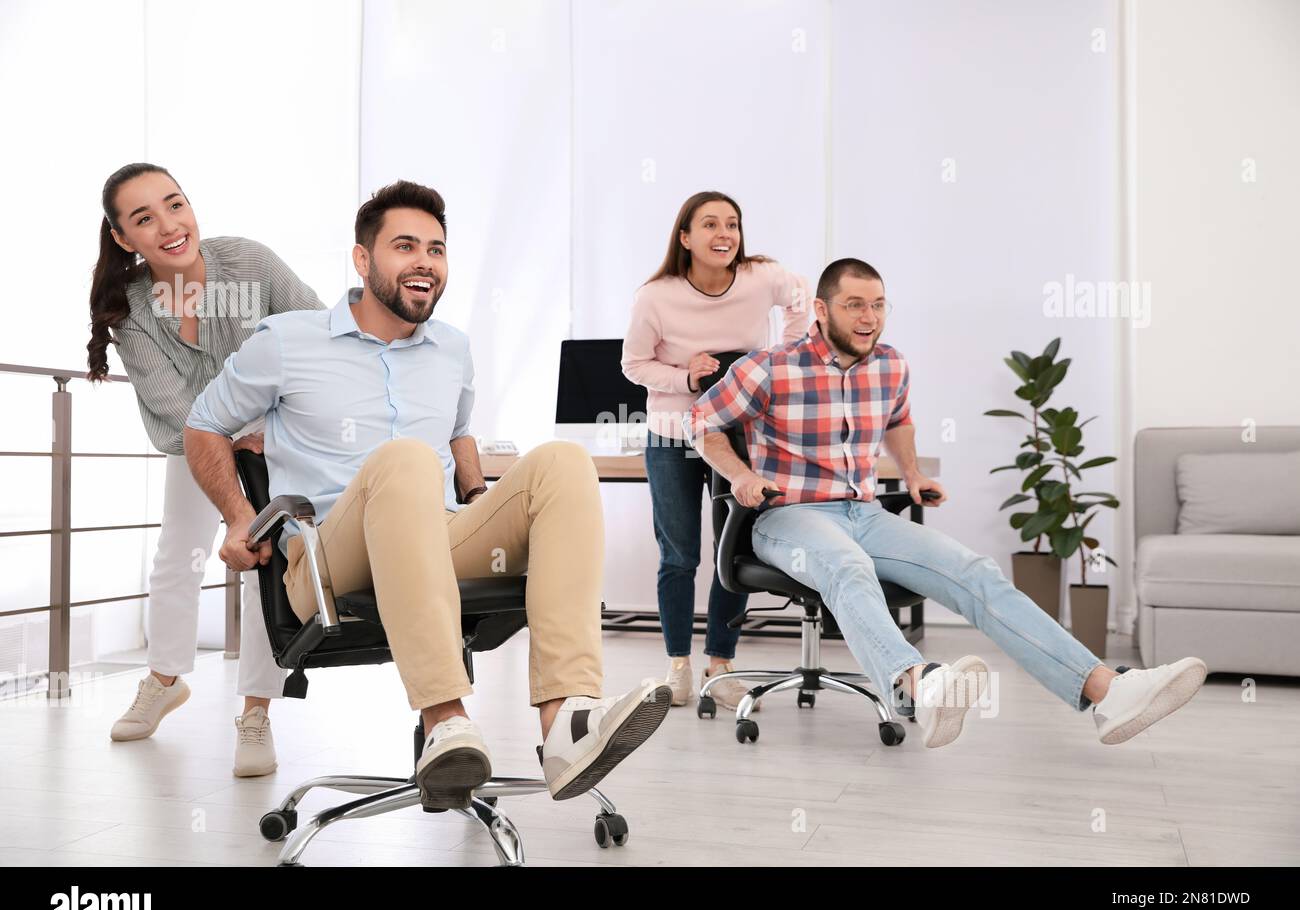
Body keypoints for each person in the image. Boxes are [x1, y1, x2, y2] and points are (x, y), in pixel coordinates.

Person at [183, 180, 672, 808]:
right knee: (406, 461)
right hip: (326, 559)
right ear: (362, 261)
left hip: (435, 534)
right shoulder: (286, 341)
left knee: (562, 463)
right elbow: (203, 424)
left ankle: (566, 724)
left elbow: (460, 431)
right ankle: (447, 721)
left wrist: (475, 493)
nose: (425, 262)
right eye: (405, 246)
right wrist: (236, 518)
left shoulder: (453, 349)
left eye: (436, 250)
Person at [687, 257, 1206, 748]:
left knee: (974, 570)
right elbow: (699, 423)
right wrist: (740, 474)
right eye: (855, 305)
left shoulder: (890, 366)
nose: (870, 319)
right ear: (821, 311)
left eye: (879, 305)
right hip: (787, 516)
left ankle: (1108, 692)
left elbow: (898, 421)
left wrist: (911, 473)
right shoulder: (770, 367)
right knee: (846, 566)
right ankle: (922, 684)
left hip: (863, 513)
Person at [88, 162, 323, 775]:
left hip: (277, 441)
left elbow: (321, 334)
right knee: (177, 558)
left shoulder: (250, 263)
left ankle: (256, 712)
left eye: (175, 204)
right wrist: (231, 444)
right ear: (123, 238)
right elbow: (175, 409)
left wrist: (271, 424)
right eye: (144, 218)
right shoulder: (129, 310)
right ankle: (164, 680)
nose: (169, 225)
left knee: (263, 563)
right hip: (196, 444)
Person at [622, 190, 810, 710]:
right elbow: (634, 365)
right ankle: (679, 664)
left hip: (740, 434)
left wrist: (777, 359)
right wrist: (686, 375)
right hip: (674, 432)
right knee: (679, 554)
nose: (724, 234)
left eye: (732, 224)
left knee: (734, 549)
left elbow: (802, 301)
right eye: (710, 225)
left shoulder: (760, 276)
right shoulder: (655, 296)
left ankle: (721, 665)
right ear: (685, 238)